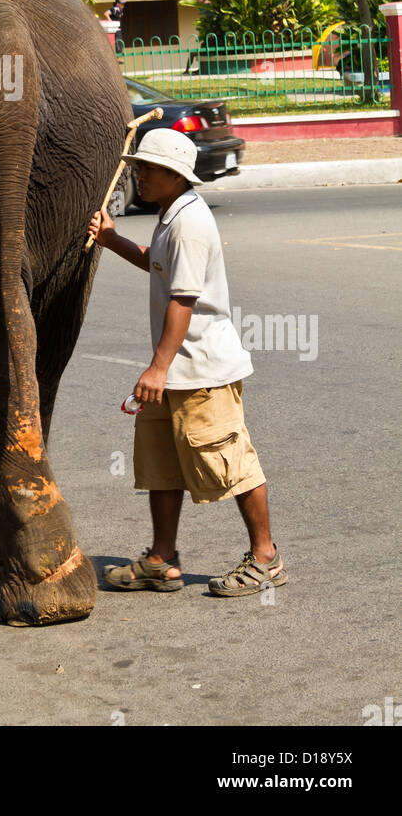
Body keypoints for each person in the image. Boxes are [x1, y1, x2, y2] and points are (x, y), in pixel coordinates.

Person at [87, 128, 287, 597]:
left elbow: (183, 298)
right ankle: (162, 559)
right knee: (161, 464)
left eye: (148, 168)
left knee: (231, 462)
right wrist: (112, 240)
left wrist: (157, 367)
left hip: (202, 370)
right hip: (174, 368)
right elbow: (157, 263)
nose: (140, 174)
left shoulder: (190, 224)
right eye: (139, 166)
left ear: (176, 176)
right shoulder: (169, 215)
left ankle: (266, 559)